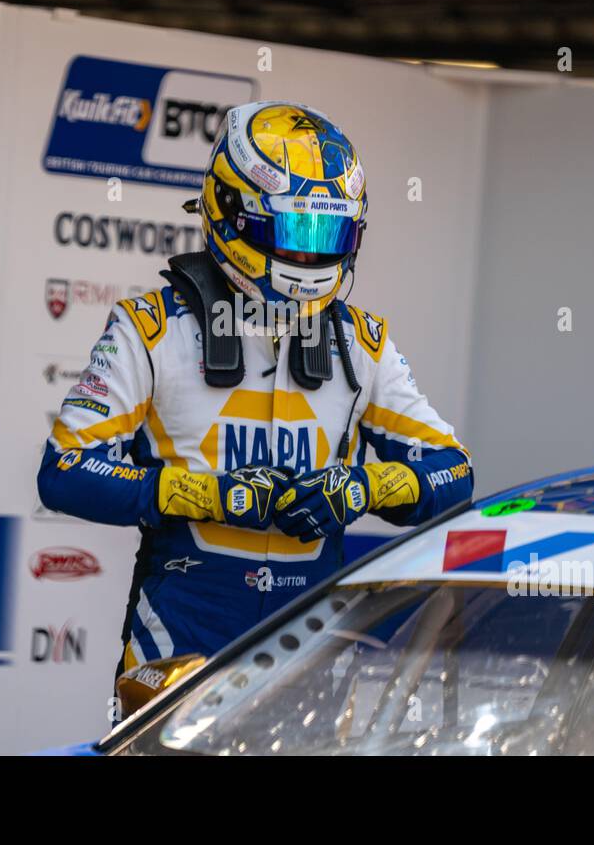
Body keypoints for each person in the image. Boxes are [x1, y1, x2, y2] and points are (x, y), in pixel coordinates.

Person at [37, 101, 473, 677]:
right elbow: (64, 471)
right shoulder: (151, 330)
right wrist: (205, 495)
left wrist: (360, 488)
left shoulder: (362, 343)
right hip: (180, 644)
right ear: (231, 212)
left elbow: (455, 472)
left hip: (313, 653)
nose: (311, 254)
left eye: (330, 232)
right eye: (295, 230)